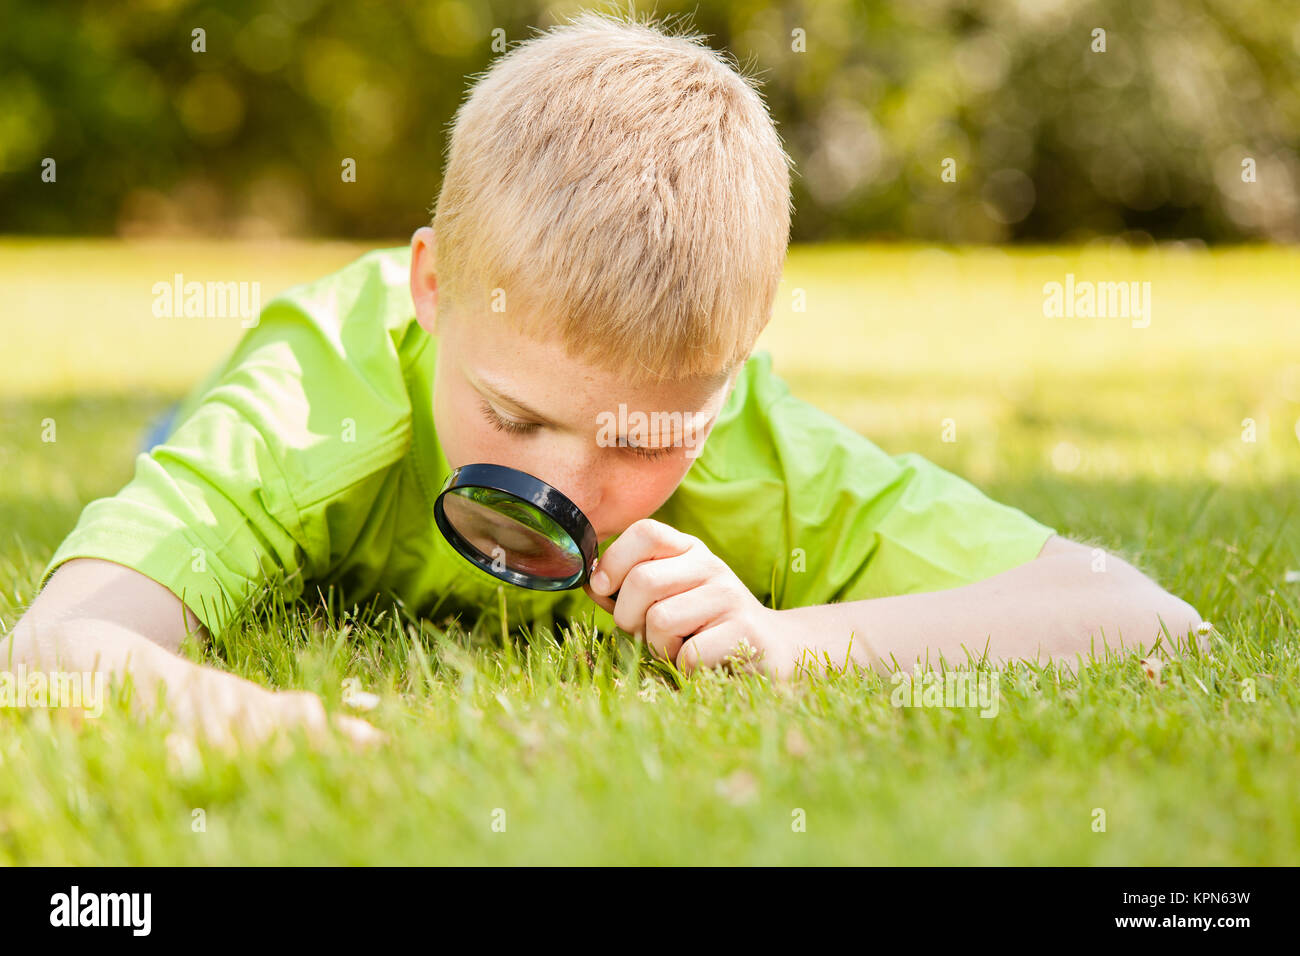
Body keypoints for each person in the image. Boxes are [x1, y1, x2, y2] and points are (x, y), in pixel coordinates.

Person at [6, 11, 1204, 751]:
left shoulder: (749, 442)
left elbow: (1144, 621)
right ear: (431, 289)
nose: (565, 488)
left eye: (642, 435)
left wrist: (792, 643)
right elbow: (56, 646)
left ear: (731, 374)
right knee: (178, 475)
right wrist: (281, 723)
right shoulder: (320, 402)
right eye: (516, 415)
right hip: (257, 402)